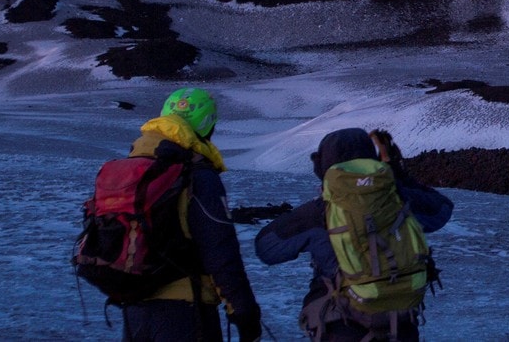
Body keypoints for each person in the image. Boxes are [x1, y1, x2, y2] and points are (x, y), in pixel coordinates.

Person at [256, 127, 454, 341]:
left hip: (341, 328)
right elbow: (442, 209)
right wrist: (398, 176)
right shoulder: (400, 199)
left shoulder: (319, 212)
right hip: (401, 325)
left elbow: (266, 248)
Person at [123, 87, 264, 342]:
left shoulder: (132, 168)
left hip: (134, 307)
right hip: (184, 311)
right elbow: (219, 247)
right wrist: (243, 309)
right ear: (207, 126)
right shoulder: (197, 175)